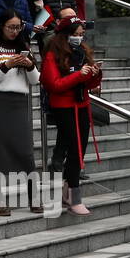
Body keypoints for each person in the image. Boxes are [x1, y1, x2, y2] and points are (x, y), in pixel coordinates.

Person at [0, 11, 42, 216]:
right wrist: (7, 65)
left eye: (18, 27)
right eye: (11, 27)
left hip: (20, 104)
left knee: (26, 153)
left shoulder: (24, 46)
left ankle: (34, 198)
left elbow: (35, 80)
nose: (15, 31)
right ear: (1, 26)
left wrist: (30, 65)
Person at [40, 16, 101, 216]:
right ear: (65, 35)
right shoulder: (52, 54)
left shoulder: (82, 52)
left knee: (80, 149)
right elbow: (53, 84)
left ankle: (68, 190)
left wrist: (95, 74)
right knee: (74, 150)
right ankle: (74, 196)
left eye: (81, 35)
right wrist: (79, 75)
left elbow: (88, 84)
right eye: (75, 35)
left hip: (82, 104)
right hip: (65, 107)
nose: (79, 38)